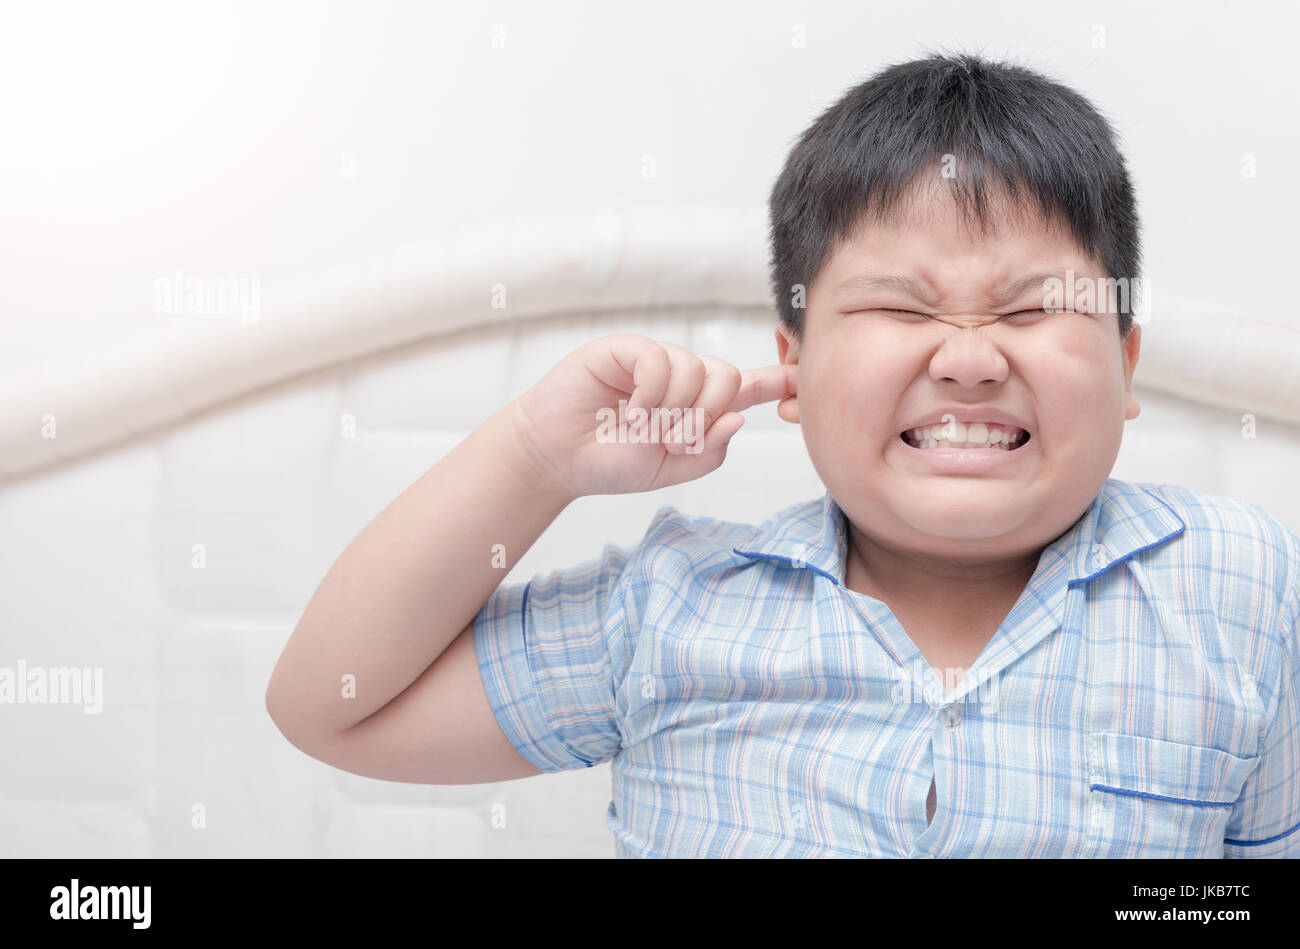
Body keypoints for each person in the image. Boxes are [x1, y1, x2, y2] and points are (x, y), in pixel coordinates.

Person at [265, 51, 1299, 858]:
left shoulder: (1237, 586)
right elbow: (330, 705)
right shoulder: (676, 605)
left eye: (1033, 308)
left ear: (1124, 364)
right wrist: (536, 458)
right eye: (899, 305)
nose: (972, 359)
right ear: (792, 369)